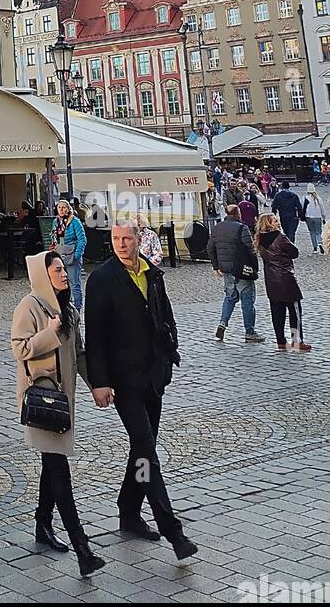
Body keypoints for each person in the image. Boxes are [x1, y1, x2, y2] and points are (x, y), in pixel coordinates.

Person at [84, 220, 197, 562]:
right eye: (115, 238)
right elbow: (95, 336)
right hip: (123, 381)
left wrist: (170, 351)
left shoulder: (152, 273)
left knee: (141, 448)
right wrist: (99, 382)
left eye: (126, 238)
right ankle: (171, 528)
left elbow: (166, 316)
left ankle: (128, 510)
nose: (120, 243)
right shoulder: (102, 280)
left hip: (153, 377)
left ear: (138, 240)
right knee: (146, 449)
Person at [11, 251, 104, 577]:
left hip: (62, 404)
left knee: (51, 467)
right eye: (57, 270)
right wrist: (50, 331)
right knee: (59, 472)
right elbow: (19, 348)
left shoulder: (69, 308)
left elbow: (78, 352)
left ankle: (42, 526)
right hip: (41, 403)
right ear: (42, 275)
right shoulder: (29, 307)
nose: (64, 274)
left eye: (64, 268)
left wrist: (96, 385)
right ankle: (83, 549)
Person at [254, 213, 312, 353]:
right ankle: (297, 341)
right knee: (294, 311)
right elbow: (295, 252)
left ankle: (281, 341)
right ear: (269, 223)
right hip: (286, 278)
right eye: (275, 220)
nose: (278, 222)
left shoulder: (260, 240)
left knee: (277, 312)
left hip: (271, 280)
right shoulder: (280, 238)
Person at [209, 203, 264, 343]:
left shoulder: (217, 228)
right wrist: (255, 268)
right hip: (241, 269)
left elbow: (209, 248)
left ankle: (222, 323)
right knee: (247, 301)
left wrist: (216, 266)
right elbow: (250, 249)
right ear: (238, 214)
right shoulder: (241, 228)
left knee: (229, 297)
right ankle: (249, 332)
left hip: (226, 269)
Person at [53, 199, 86, 312]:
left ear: (68, 209)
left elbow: (82, 239)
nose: (61, 210)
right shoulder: (56, 221)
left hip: (73, 254)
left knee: (74, 283)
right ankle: (65, 306)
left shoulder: (75, 221)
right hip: (60, 255)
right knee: (62, 282)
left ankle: (77, 308)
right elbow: (55, 238)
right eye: (59, 207)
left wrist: (77, 255)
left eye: (63, 207)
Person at [301, 185, 326, 253]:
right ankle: (320, 243)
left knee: (312, 232)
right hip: (318, 217)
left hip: (308, 217)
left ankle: (315, 248)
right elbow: (322, 209)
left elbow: (302, 208)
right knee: (318, 232)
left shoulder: (305, 198)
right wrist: (324, 218)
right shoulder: (318, 198)